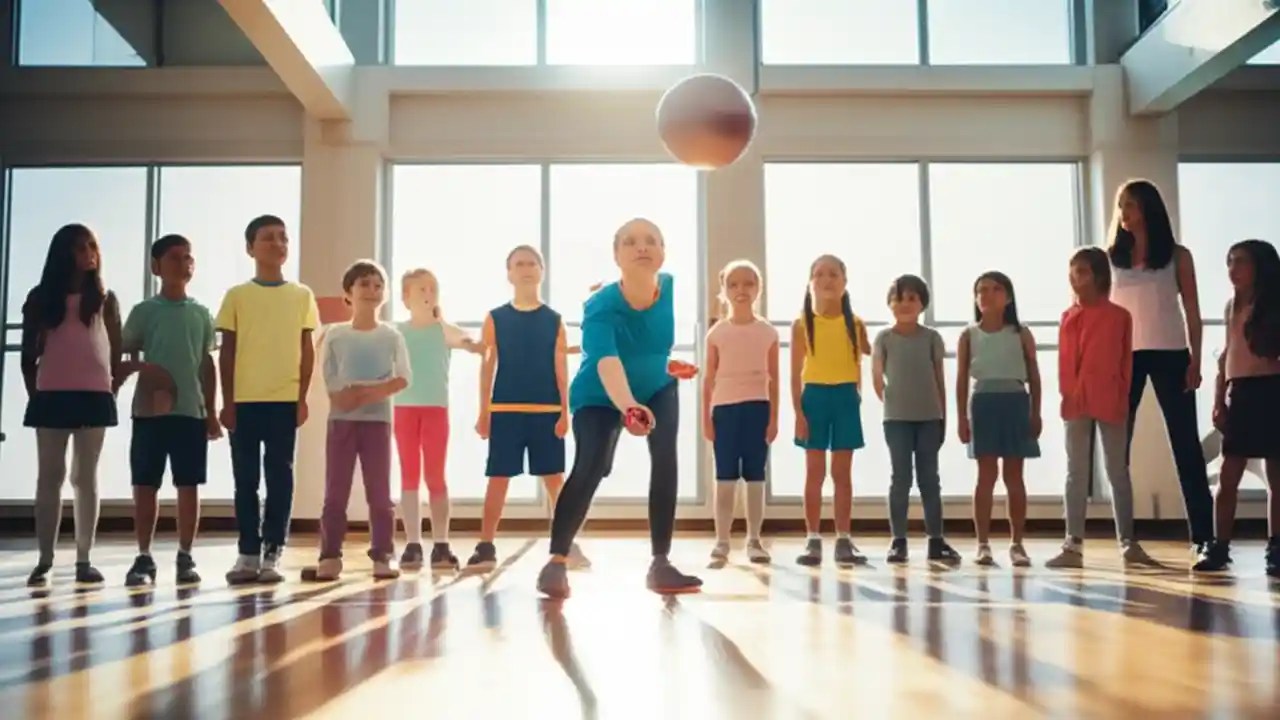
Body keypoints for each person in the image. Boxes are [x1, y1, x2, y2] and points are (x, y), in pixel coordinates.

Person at [536, 218, 701, 599]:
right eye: (630, 242)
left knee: (666, 459)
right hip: (599, 394)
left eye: (651, 240)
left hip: (657, 386)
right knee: (592, 464)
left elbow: (647, 345)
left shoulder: (668, 287)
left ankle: (661, 563)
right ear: (616, 255)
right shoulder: (600, 305)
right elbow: (607, 361)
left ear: (663, 253)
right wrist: (628, 407)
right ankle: (556, 562)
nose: (642, 247)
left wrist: (664, 364)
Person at [1107, 179, 1215, 559]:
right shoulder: (1110, 259)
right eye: (1121, 205)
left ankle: (1204, 538)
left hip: (1172, 354)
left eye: (1131, 205)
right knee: (1118, 447)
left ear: (1148, 209)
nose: (1124, 213)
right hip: (1125, 357)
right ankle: (1125, 538)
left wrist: (1196, 360)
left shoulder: (1177, 256)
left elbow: (1193, 313)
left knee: (1186, 446)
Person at [471, 246, 589, 570]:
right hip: (505, 410)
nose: (525, 268)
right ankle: (485, 546)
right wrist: (484, 411)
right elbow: (487, 367)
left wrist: (564, 411)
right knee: (498, 477)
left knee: (555, 480)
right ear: (509, 273)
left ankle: (567, 543)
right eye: (519, 264)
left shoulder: (554, 320)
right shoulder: (495, 318)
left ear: (541, 271)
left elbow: (561, 369)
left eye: (531, 263)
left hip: (546, 412)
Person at [217, 214, 319, 584]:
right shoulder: (236, 296)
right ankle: (247, 552)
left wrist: (302, 398)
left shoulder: (302, 295)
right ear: (250, 248)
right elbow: (226, 352)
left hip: (284, 402)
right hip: (244, 403)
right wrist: (227, 402)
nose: (277, 244)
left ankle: (272, 551)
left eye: (283, 237)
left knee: (280, 478)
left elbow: (307, 350)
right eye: (268, 238)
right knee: (245, 479)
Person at [118, 234, 220, 586]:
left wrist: (211, 412)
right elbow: (125, 351)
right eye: (175, 258)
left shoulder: (201, 313)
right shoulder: (144, 311)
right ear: (156, 266)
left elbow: (206, 364)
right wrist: (145, 376)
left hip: (190, 412)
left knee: (188, 484)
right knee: (145, 484)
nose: (183, 264)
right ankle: (143, 557)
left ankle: (185, 556)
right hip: (149, 414)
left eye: (188, 258)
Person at [22, 223, 121, 587]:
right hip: (51, 396)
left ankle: (84, 559)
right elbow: (28, 354)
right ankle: (44, 560)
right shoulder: (41, 298)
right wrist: (35, 395)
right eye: (80, 248)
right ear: (64, 254)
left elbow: (116, 350)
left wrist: (112, 389)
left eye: (92, 246)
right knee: (50, 477)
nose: (89, 254)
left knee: (85, 476)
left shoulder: (105, 299)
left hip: (95, 395)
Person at [1047, 248, 1156, 569]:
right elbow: (1065, 362)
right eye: (1072, 271)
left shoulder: (1119, 316)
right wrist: (1068, 395)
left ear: (1098, 275)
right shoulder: (1068, 317)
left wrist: (1122, 398)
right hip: (1076, 402)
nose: (1074, 277)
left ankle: (1128, 543)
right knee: (1076, 472)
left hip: (1110, 400)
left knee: (1117, 471)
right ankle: (1072, 545)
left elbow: (1126, 364)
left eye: (1081, 271)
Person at [304, 260, 409, 581]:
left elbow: (402, 377)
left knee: (380, 492)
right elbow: (331, 379)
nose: (372, 290)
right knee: (336, 492)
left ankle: (383, 554)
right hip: (341, 424)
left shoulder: (391, 336)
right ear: (348, 292)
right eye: (364, 284)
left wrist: (363, 393)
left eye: (378, 285)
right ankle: (330, 555)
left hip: (378, 423)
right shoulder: (335, 334)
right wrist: (351, 395)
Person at [1196, 240, 1280, 576]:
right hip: (1240, 392)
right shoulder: (1231, 307)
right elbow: (1226, 359)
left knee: (1276, 476)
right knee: (1228, 473)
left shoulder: (1273, 305)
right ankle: (1220, 546)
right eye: (1230, 261)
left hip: (1272, 389)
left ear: (1259, 266)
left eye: (1240, 261)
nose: (1233, 269)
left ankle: (1276, 547)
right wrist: (1219, 400)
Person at [394, 268, 481, 571]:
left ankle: (441, 545)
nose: (428, 293)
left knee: (435, 477)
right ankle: (413, 544)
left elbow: (468, 341)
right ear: (405, 297)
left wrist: (471, 343)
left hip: (435, 411)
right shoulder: (397, 332)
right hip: (403, 410)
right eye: (421, 289)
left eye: (433, 288)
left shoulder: (444, 330)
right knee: (408, 476)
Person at [872, 274, 960, 565]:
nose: (905, 303)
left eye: (912, 298)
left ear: (923, 303)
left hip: (929, 418)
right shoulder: (884, 338)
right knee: (900, 478)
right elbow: (877, 377)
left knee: (929, 479)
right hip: (896, 419)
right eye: (899, 298)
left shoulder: (931, 338)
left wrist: (943, 416)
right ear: (889, 303)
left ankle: (936, 540)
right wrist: (892, 401)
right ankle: (898, 541)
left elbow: (939, 379)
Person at [957, 271, 1040, 567]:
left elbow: (1034, 375)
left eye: (995, 289)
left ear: (1008, 297)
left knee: (1014, 476)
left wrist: (1036, 412)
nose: (987, 295)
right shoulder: (969, 335)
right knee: (986, 476)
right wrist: (961, 418)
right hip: (983, 405)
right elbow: (961, 379)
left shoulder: (1021, 333)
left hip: (1016, 402)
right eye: (981, 290)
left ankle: (1017, 543)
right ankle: (982, 544)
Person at [792, 254, 870, 567]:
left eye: (834, 274)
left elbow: (867, 358)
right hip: (814, 398)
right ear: (811, 282)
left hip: (846, 398)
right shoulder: (801, 324)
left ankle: (843, 539)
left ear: (844, 282)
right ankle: (812, 539)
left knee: (842, 473)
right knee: (815, 472)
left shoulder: (856, 324)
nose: (827, 280)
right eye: (820, 274)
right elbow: (794, 374)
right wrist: (798, 413)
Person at [703, 259, 778, 564]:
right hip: (724, 411)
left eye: (748, 283)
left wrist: (774, 419)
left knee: (755, 478)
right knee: (725, 478)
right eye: (733, 284)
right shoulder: (716, 333)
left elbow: (774, 379)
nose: (741, 290)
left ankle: (754, 540)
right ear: (724, 290)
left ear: (759, 288)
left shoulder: (768, 332)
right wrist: (706, 419)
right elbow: (708, 379)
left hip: (758, 409)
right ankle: (722, 541)